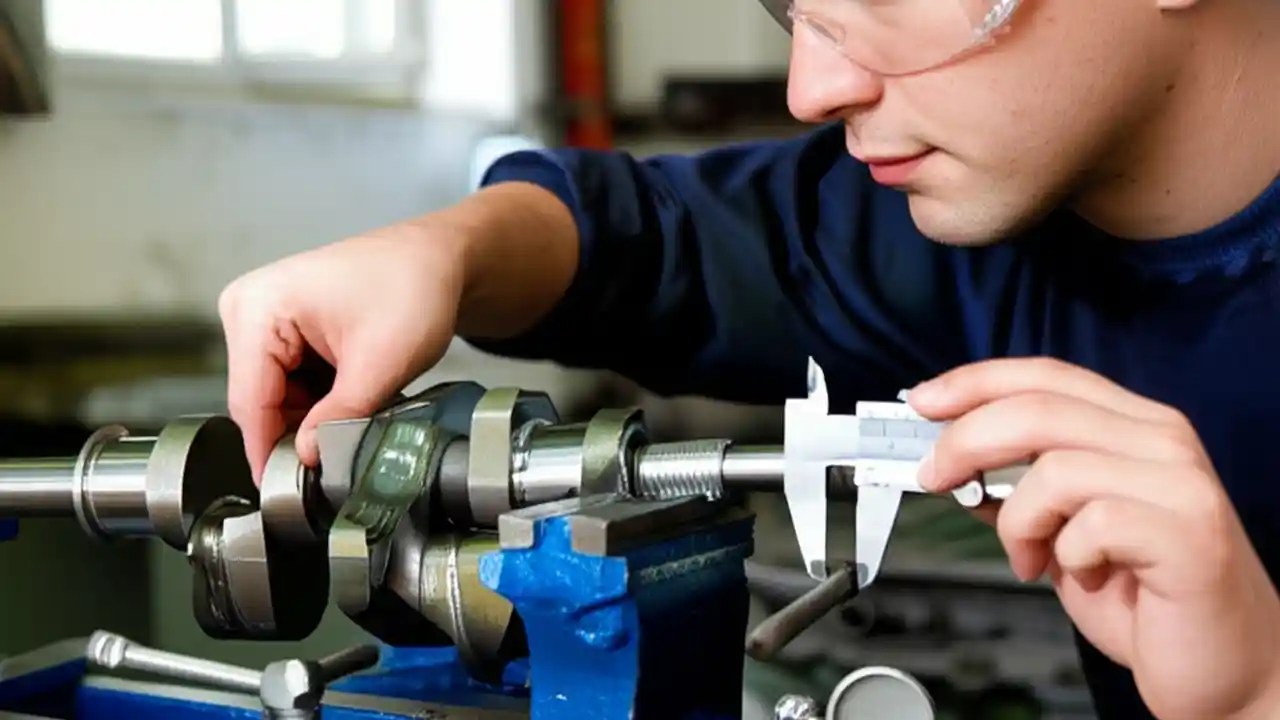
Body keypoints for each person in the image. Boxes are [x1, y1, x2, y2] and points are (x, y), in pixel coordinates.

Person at [216, 0, 1280, 717]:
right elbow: (656, 243)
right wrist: (442, 250)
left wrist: (1254, 691)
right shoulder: (958, 230)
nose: (809, 86)